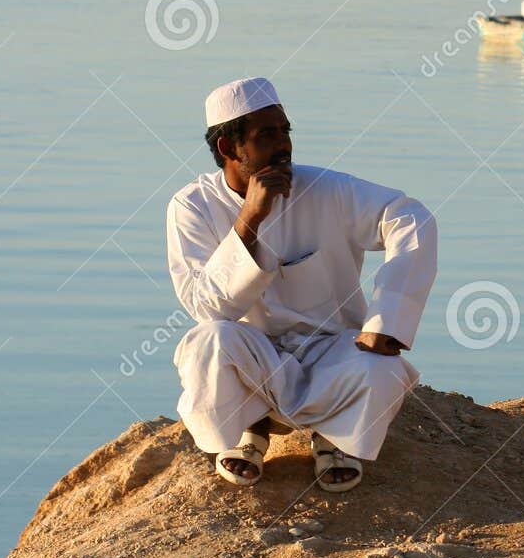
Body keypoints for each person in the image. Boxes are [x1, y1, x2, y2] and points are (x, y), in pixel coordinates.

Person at [168, 77, 438, 492]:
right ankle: (249, 428)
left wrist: (389, 321)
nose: (284, 145)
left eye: (285, 131)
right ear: (228, 148)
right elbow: (206, 308)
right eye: (267, 135)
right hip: (250, 360)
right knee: (206, 343)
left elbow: (410, 217)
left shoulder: (327, 190)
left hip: (332, 355)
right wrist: (249, 220)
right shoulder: (192, 206)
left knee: (383, 369)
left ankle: (334, 437)